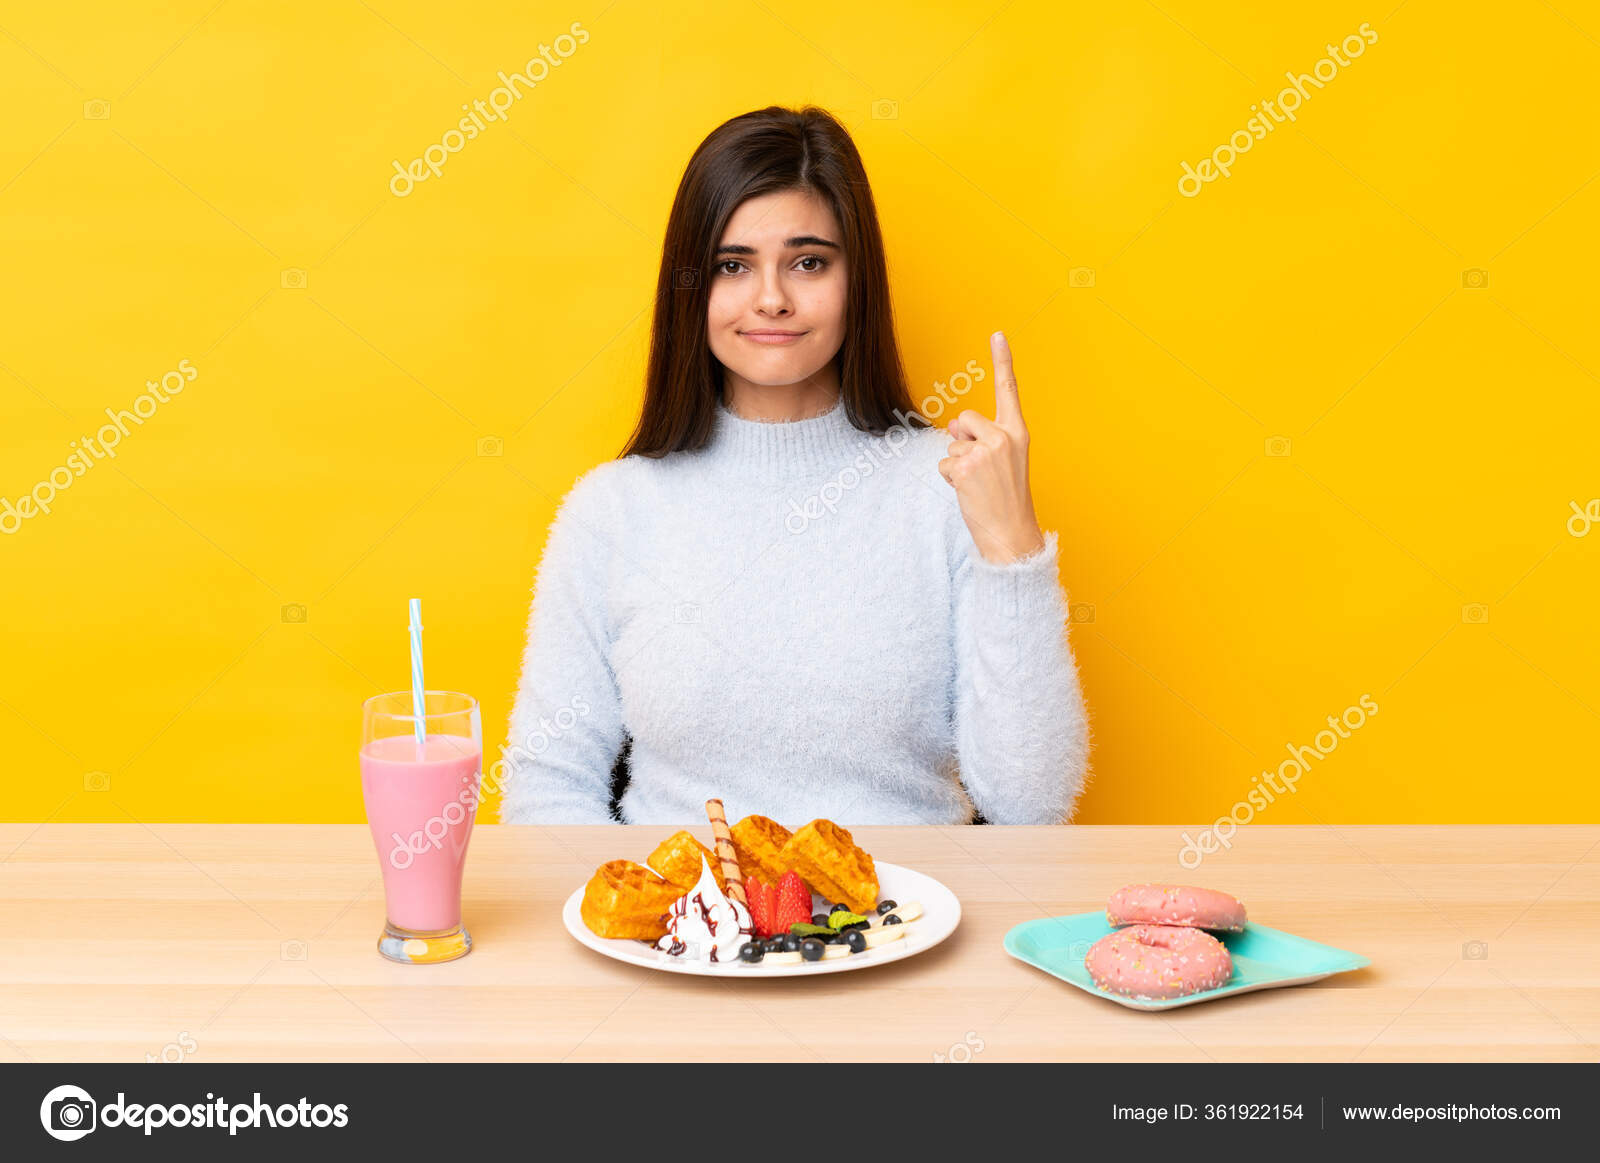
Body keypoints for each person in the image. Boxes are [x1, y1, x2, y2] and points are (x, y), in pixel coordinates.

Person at [499, 105, 1089, 825]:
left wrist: (1012, 545)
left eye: (808, 261)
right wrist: (650, 927)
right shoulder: (612, 510)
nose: (772, 297)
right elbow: (547, 789)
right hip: (684, 928)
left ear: (856, 280)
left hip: (909, 923)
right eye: (732, 265)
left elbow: (1033, 806)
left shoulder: (952, 488)